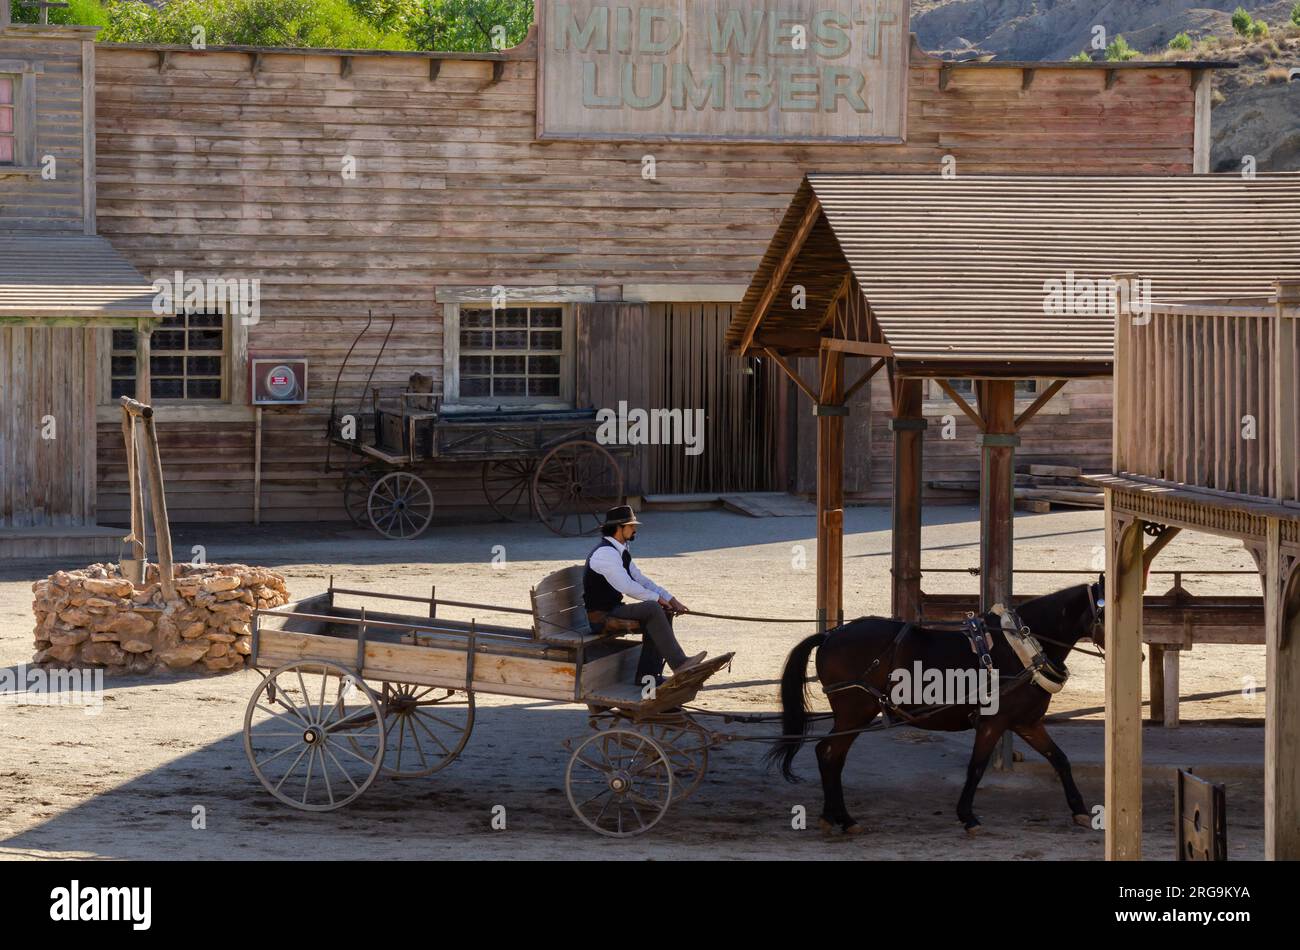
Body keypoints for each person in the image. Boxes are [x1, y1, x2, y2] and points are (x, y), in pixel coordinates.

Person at [583, 505, 707, 684]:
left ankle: (647, 677)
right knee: (652, 607)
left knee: (662, 610)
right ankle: (680, 663)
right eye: (631, 525)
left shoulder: (620, 550)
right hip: (601, 617)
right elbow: (626, 586)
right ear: (619, 527)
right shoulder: (605, 553)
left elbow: (640, 579)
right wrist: (657, 599)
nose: (635, 529)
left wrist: (670, 599)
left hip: (614, 609)